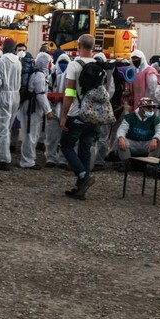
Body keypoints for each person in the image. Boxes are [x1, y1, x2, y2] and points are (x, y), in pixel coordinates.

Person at [59, 33, 102, 199]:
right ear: (93, 47)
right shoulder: (99, 66)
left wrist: (64, 115)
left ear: (78, 45)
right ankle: (80, 188)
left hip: (77, 113)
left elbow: (69, 92)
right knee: (85, 148)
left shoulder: (74, 65)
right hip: (93, 115)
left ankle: (83, 176)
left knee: (66, 145)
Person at [0, 38, 21, 171]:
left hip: (3, 95)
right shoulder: (18, 62)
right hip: (15, 95)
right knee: (8, 127)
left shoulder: (1, 62)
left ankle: (4, 159)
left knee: (2, 129)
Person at [18, 51, 52, 169]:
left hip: (31, 108)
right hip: (32, 109)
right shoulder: (40, 76)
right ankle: (27, 161)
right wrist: (48, 111)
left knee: (32, 134)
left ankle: (29, 159)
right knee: (30, 134)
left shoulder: (37, 73)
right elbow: (40, 94)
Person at [116, 97, 160, 166]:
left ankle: (151, 164)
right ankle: (125, 163)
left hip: (147, 145)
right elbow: (122, 129)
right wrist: (121, 138)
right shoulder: (130, 117)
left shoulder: (155, 118)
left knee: (159, 142)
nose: (152, 110)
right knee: (120, 140)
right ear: (141, 108)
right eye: (149, 107)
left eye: (153, 107)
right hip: (132, 144)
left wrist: (155, 139)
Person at [44, 53, 70, 168]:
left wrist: (65, 97)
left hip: (66, 110)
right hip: (54, 108)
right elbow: (47, 91)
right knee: (52, 136)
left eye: (65, 63)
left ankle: (63, 159)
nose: (63, 65)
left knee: (65, 137)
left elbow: (72, 92)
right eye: (61, 62)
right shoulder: (53, 75)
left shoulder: (70, 77)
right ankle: (51, 157)